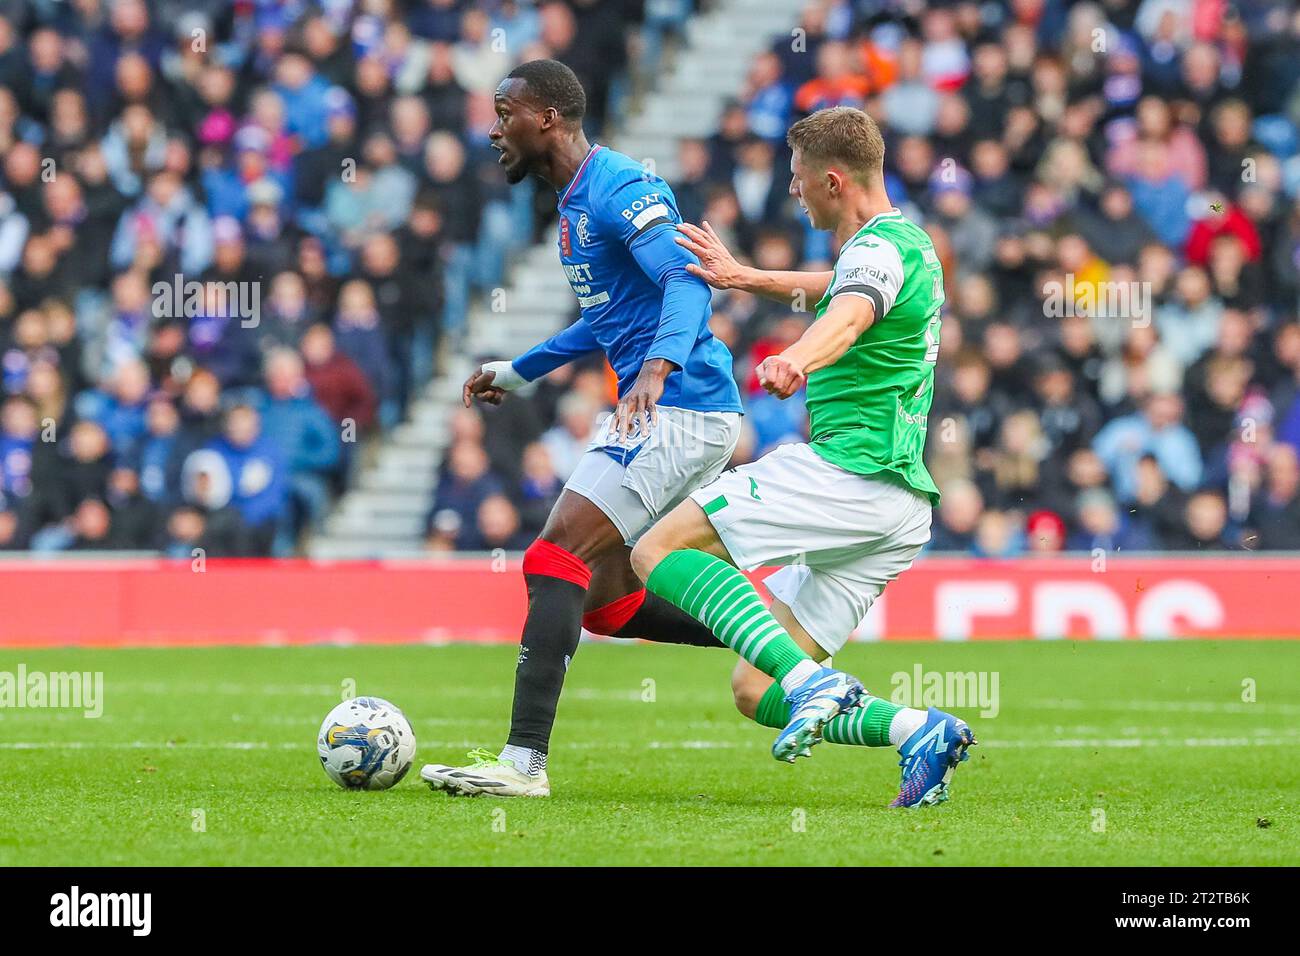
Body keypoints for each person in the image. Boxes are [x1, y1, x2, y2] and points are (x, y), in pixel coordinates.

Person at [421, 61, 863, 798]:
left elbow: (685, 279)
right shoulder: (572, 207)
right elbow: (605, 319)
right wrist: (521, 370)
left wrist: (657, 367)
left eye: (505, 113)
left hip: (681, 406)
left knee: (555, 557)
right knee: (604, 596)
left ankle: (523, 765)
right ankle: (789, 646)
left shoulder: (621, 187)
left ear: (548, 119)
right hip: (675, 407)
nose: (494, 129)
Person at [632, 106, 976, 807]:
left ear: (831, 180)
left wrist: (797, 356)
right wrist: (743, 276)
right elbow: (839, 290)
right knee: (755, 686)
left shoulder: (876, 255)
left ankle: (813, 684)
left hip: (850, 473)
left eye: (797, 180)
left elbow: (847, 318)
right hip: (901, 509)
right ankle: (919, 730)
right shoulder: (903, 246)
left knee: (656, 552)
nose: (792, 191)